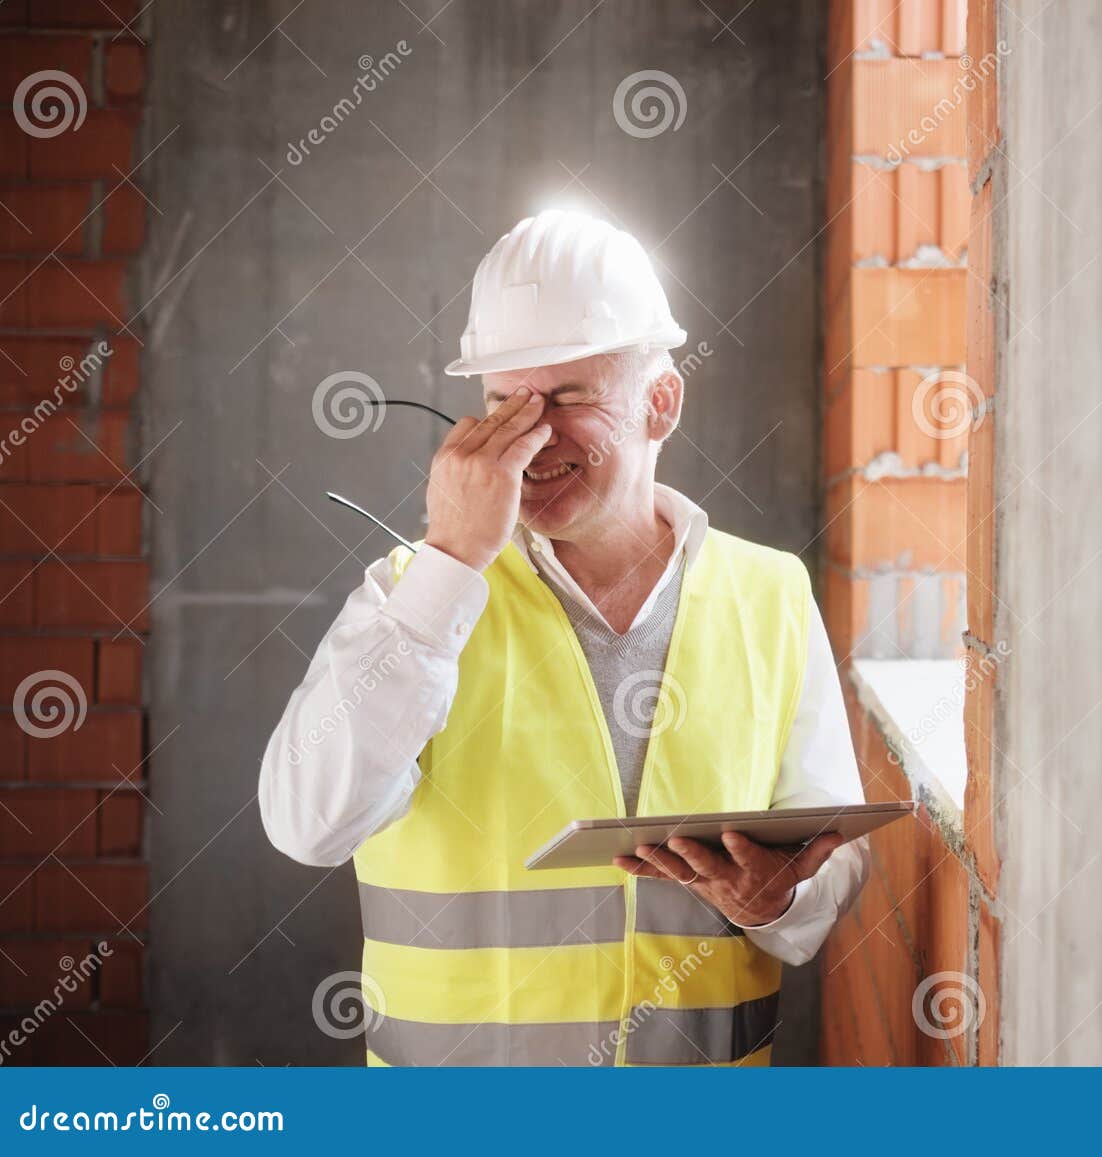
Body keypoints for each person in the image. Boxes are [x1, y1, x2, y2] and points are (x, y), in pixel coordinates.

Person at [259, 209, 869, 1066]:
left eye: (571, 396)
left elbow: (832, 867)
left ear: (661, 402)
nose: (532, 435)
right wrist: (450, 563)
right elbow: (306, 822)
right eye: (504, 403)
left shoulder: (769, 595)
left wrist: (776, 900)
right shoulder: (414, 599)